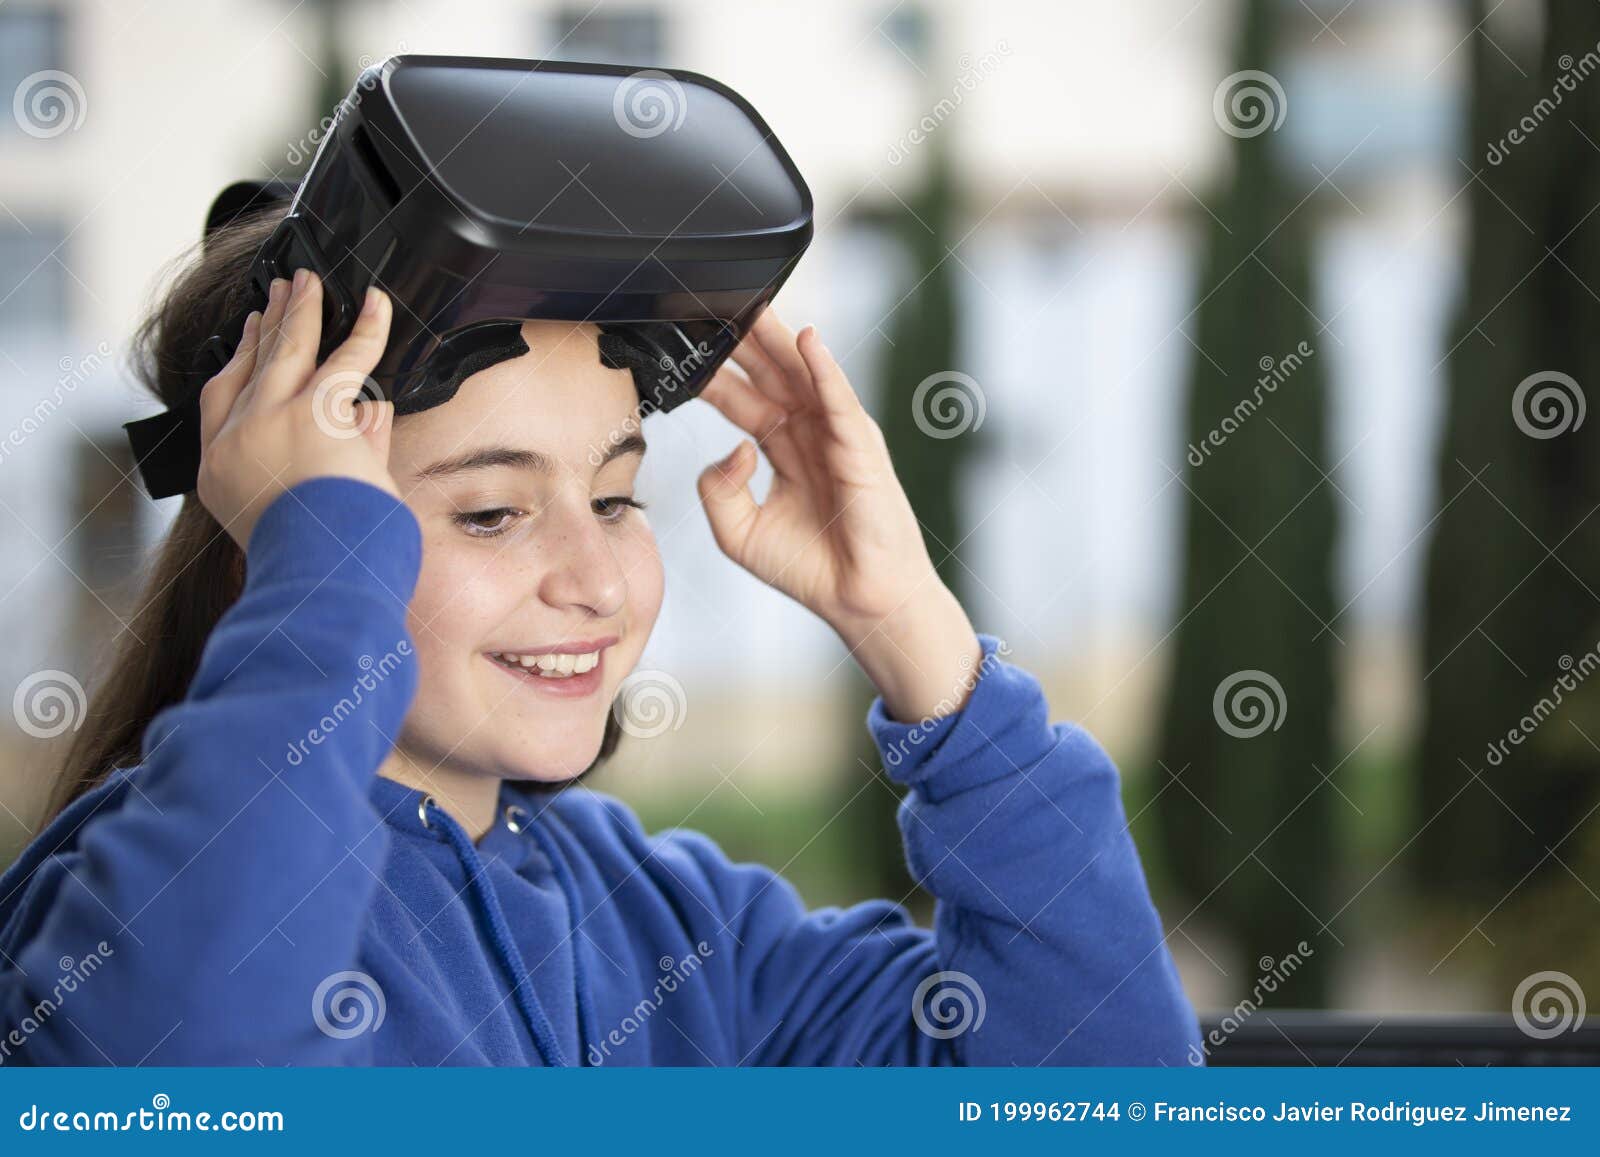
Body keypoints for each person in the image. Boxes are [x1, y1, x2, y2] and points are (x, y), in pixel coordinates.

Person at [0, 205, 1200, 1066]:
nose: (596, 580)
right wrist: (316, 585)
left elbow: (1104, 1086)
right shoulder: (120, 910)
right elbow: (200, 1065)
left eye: (618, 495)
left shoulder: (681, 933)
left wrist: (918, 636)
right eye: (490, 510)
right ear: (296, 545)